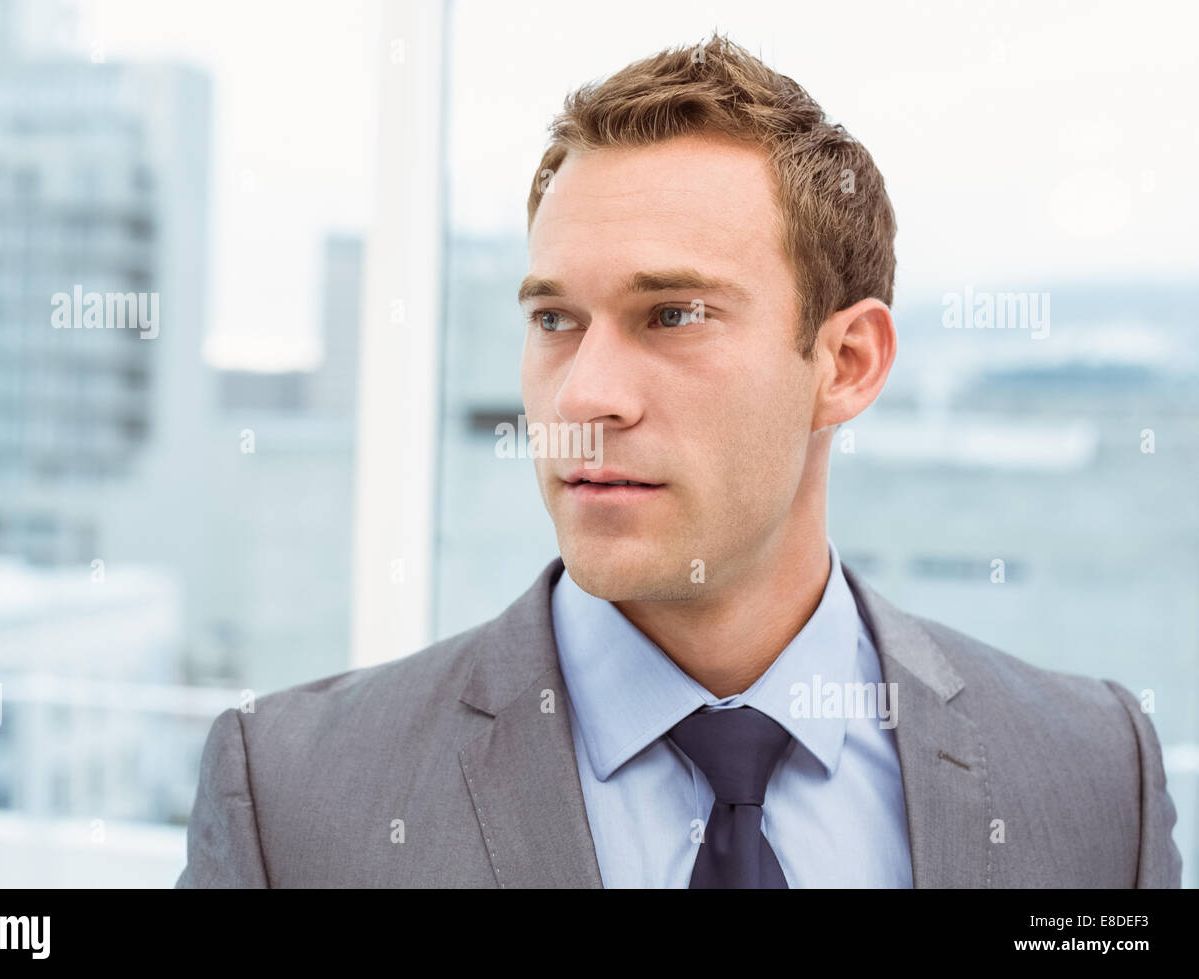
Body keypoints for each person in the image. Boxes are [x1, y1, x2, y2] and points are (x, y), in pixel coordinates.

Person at [177, 32, 1181, 888]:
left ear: (846, 362)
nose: (582, 396)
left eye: (672, 314)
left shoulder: (1091, 779)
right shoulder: (295, 801)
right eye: (555, 319)